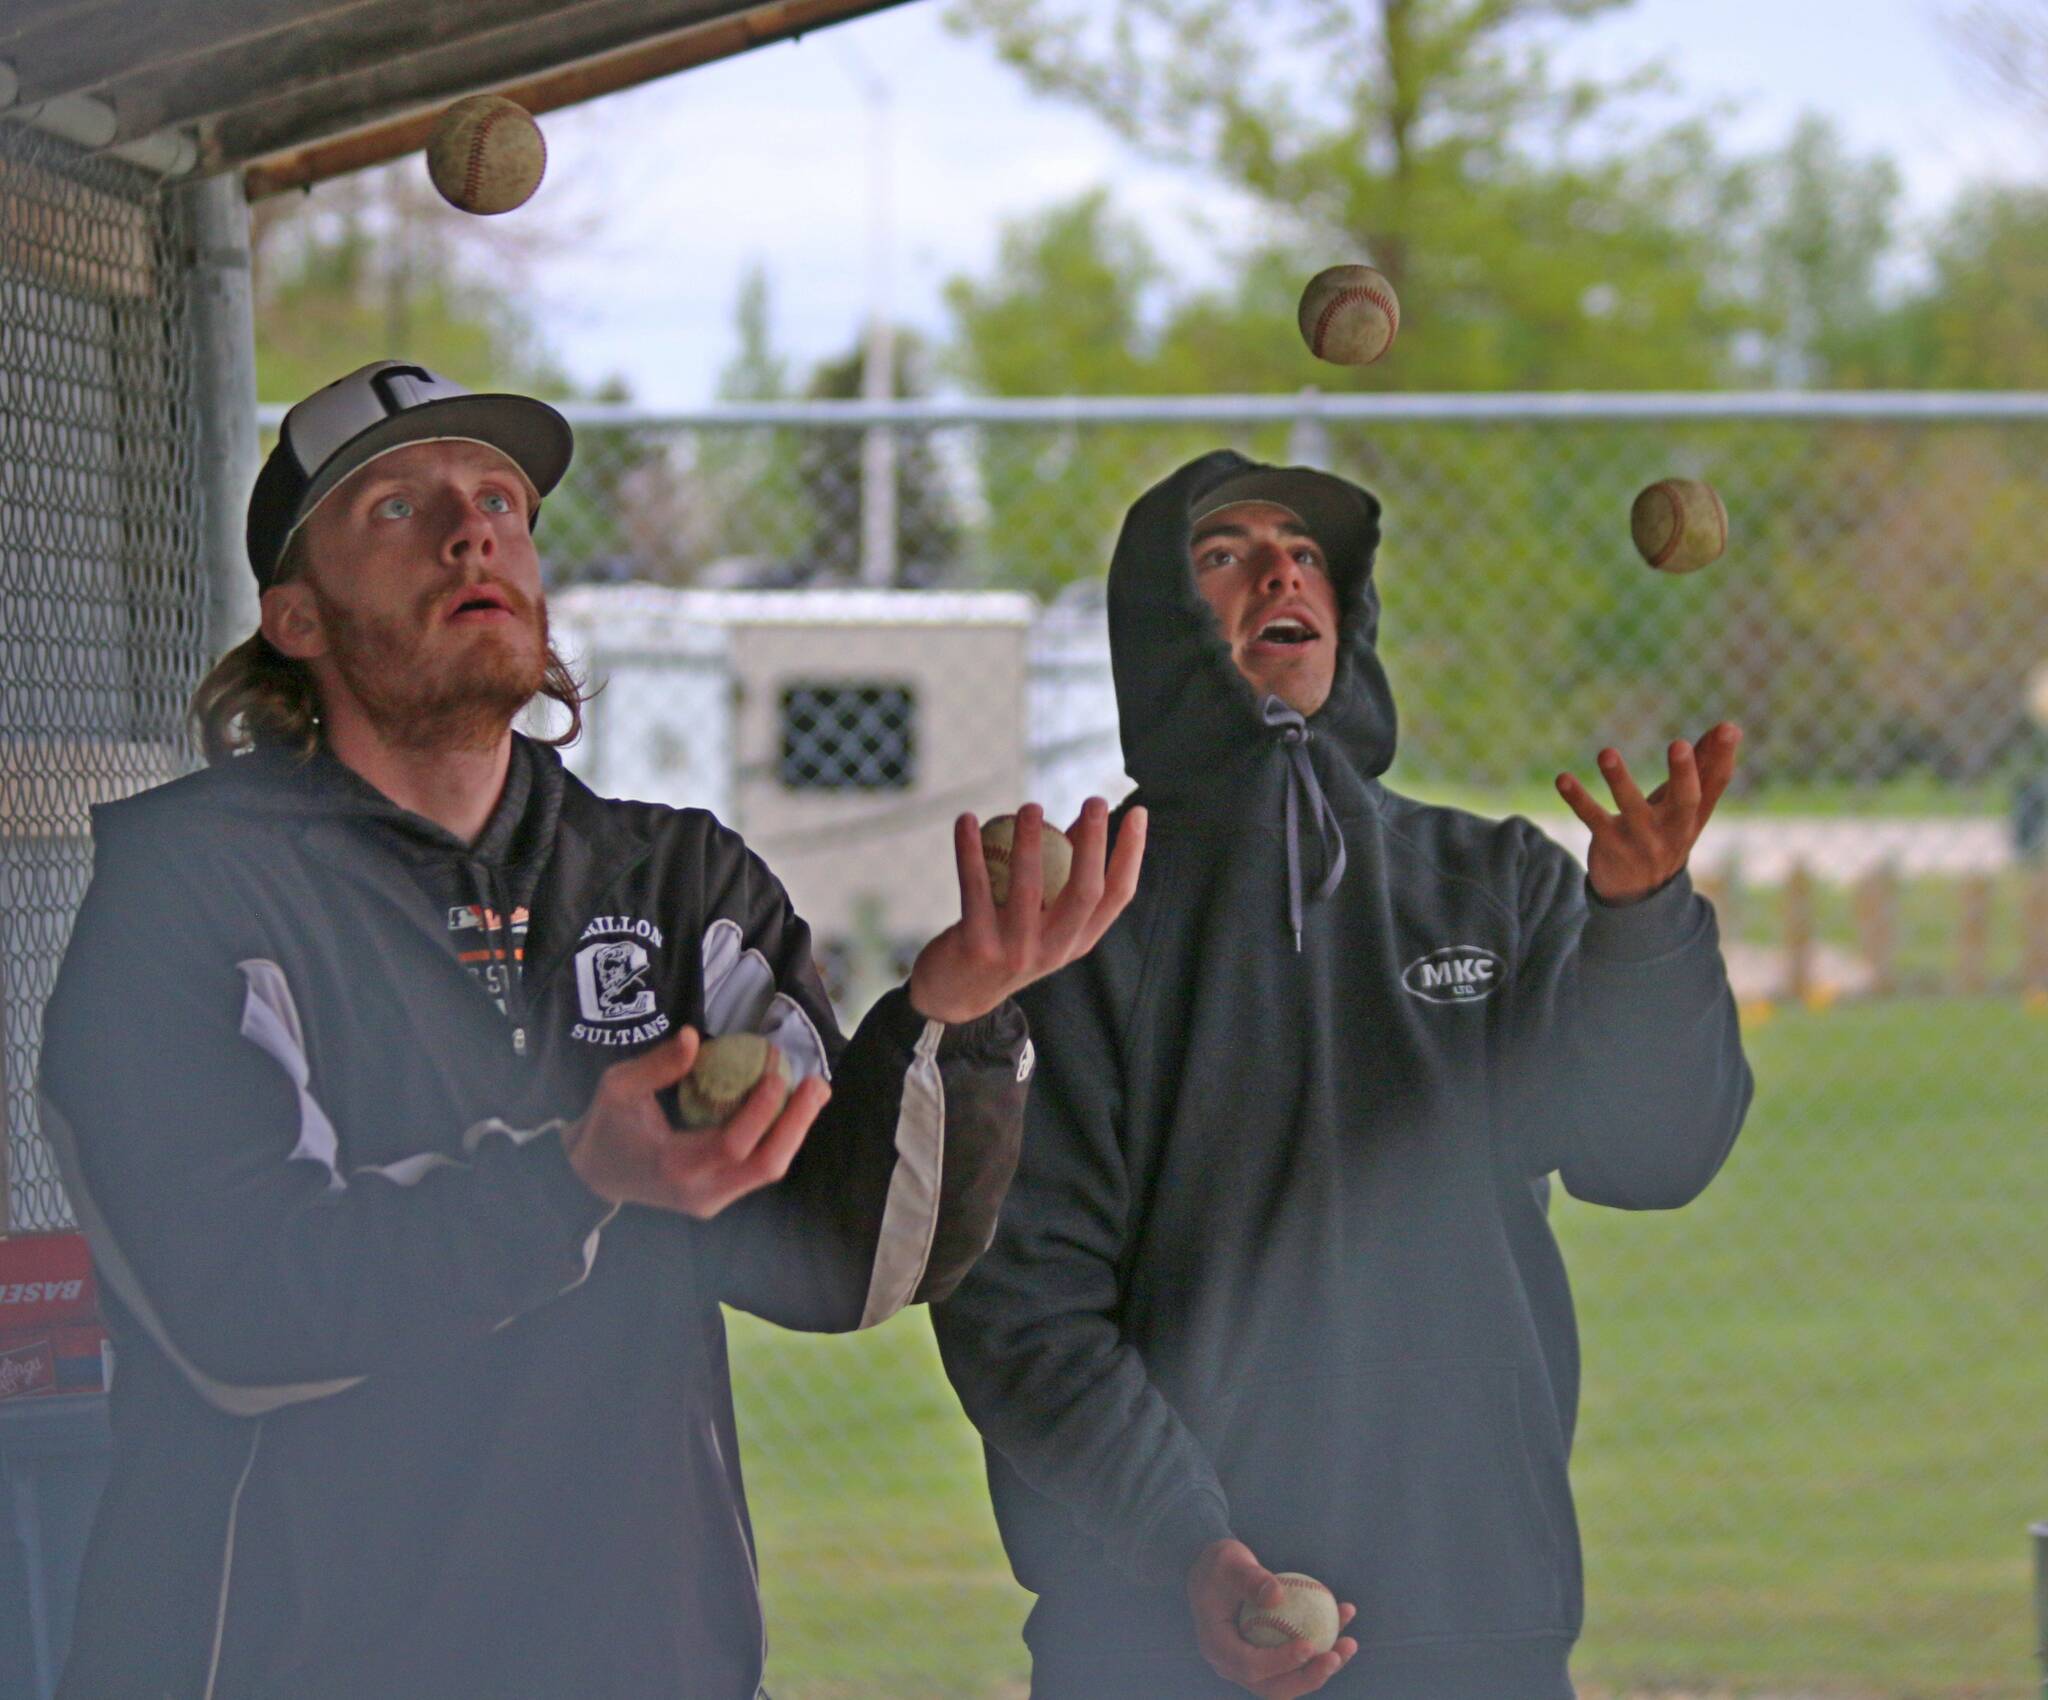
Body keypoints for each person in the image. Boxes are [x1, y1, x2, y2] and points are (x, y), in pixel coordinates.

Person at [38, 359, 1145, 1700]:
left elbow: (839, 1267)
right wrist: (574, 1182)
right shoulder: (189, 891)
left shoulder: (677, 887)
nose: (473, 530)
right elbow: (241, 1312)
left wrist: (954, 1019)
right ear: (297, 618)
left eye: (501, 498)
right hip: (284, 1656)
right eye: (396, 509)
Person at [932, 451, 1755, 1700]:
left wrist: (1638, 928)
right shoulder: (1076, 921)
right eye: (1223, 553)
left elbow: (1650, 1154)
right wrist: (1189, 1549)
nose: (1279, 569)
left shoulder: (1493, 882)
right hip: (1150, 1628)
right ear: (1158, 621)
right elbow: (1022, 1306)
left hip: (1467, 1608)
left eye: (1307, 553)